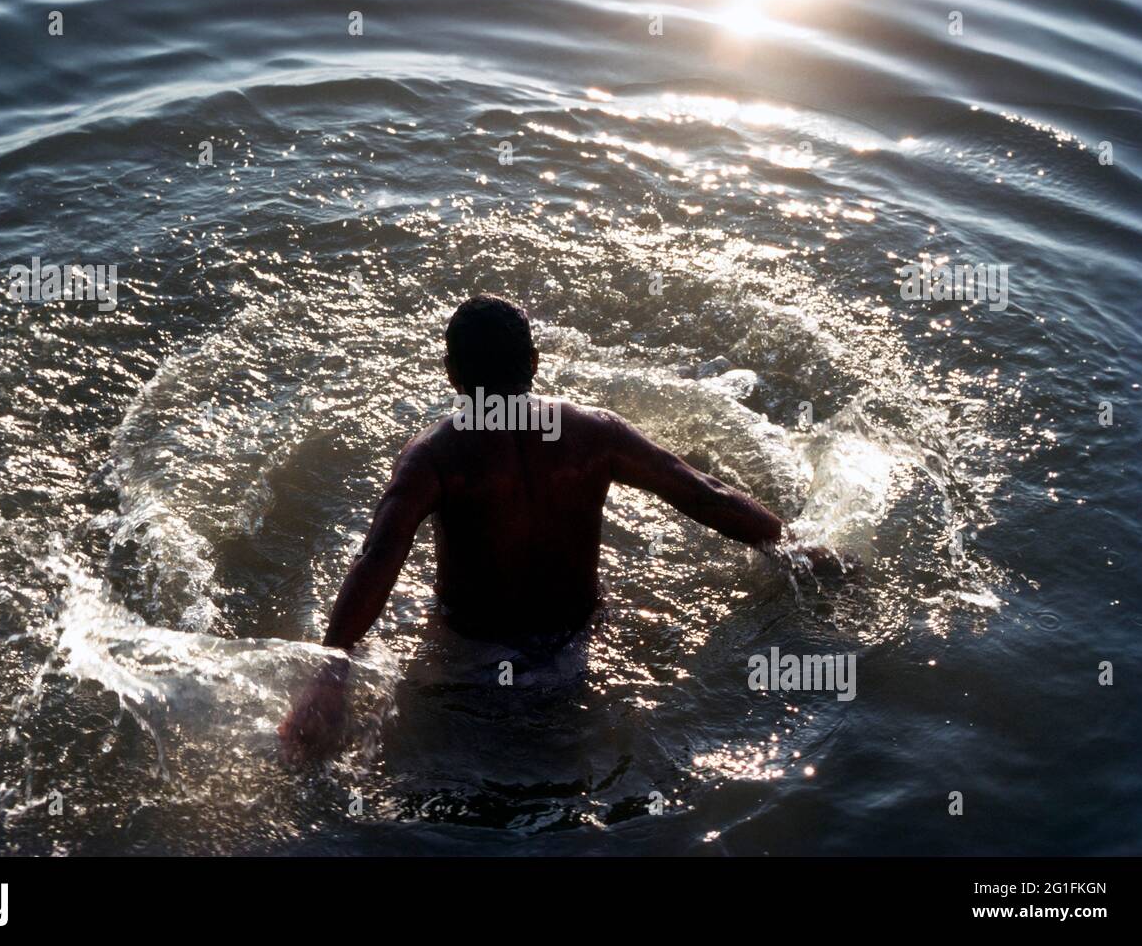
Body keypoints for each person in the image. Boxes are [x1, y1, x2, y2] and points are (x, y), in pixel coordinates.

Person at [278, 294, 848, 760]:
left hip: (470, 661)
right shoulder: (593, 434)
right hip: (578, 647)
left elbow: (379, 558)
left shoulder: (435, 455)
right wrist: (790, 545)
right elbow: (703, 494)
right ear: (534, 363)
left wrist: (329, 675)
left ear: (452, 374)